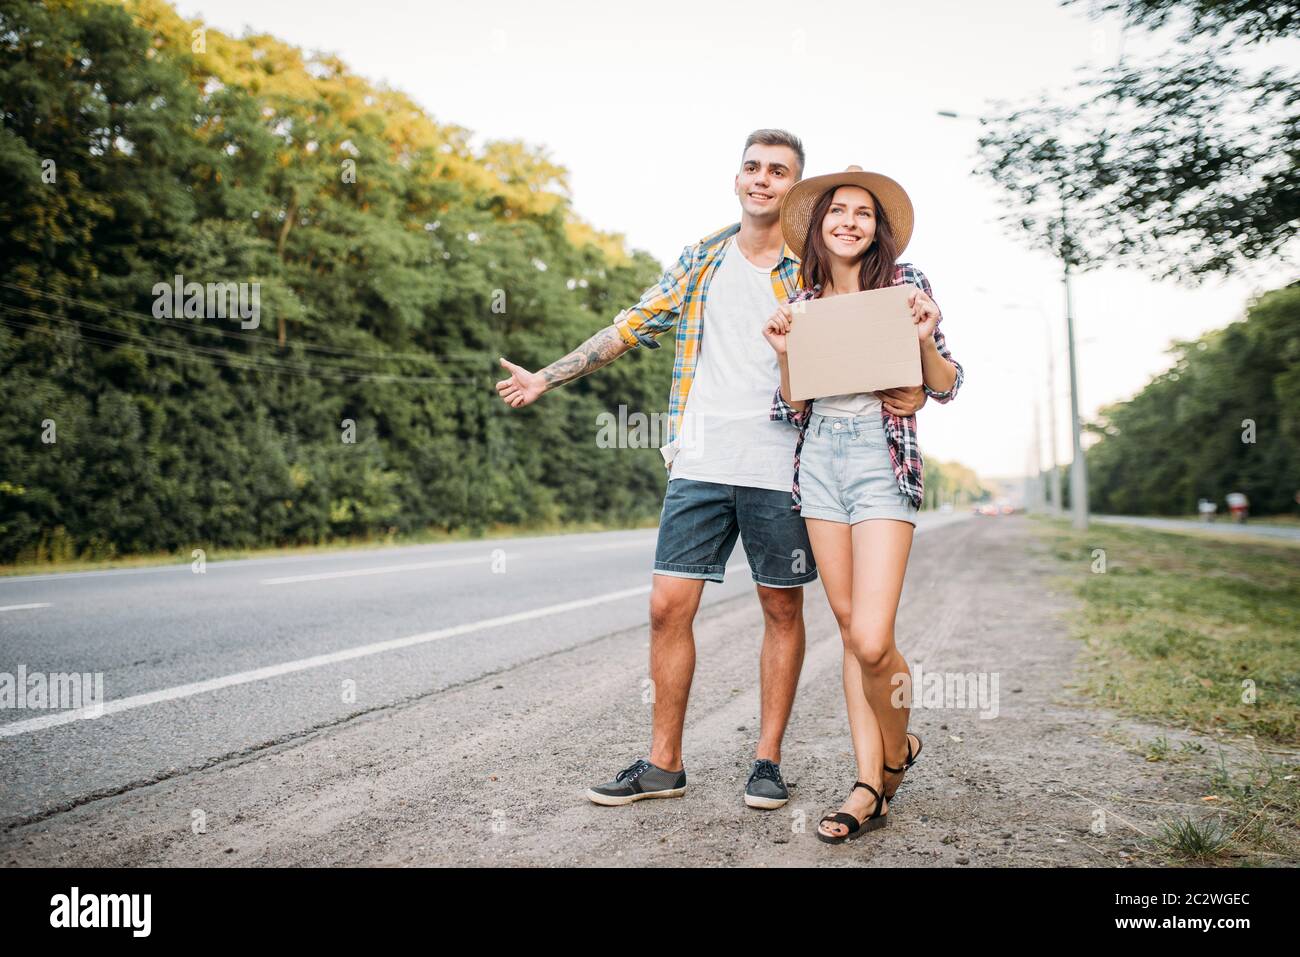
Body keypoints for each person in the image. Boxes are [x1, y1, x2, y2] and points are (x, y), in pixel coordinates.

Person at [494, 132, 931, 810]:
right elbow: (631, 325)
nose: (762, 179)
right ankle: (663, 762)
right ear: (737, 179)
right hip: (698, 457)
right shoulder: (701, 258)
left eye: (778, 171)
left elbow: (875, 355)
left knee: (781, 606)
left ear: (796, 194)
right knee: (668, 604)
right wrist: (546, 377)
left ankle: (767, 759)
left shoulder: (813, 271)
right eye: (753, 167)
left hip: (783, 462)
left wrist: (916, 388)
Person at [762, 166, 964, 842]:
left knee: (875, 637)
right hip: (819, 459)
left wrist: (928, 337)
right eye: (837, 211)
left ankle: (898, 746)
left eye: (863, 213)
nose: (850, 221)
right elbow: (792, 404)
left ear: (877, 230)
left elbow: (945, 383)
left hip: (882, 460)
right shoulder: (802, 298)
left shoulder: (906, 286)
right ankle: (869, 780)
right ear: (819, 226)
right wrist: (785, 351)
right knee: (851, 632)